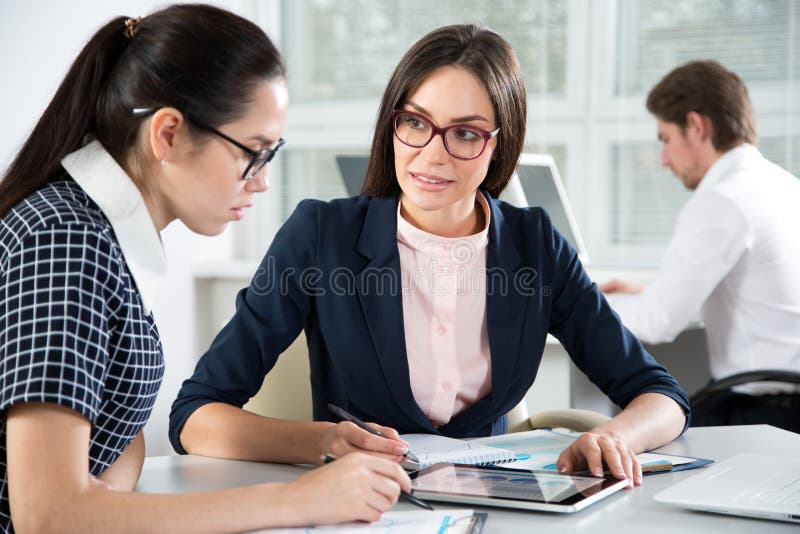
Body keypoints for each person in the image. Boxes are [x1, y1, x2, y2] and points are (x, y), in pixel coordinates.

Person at [171, 24, 690, 488]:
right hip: (359, 509)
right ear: (392, 124)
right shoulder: (320, 235)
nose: (432, 153)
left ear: (497, 146)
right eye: (416, 123)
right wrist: (323, 441)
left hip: (501, 511)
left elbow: (661, 395)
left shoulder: (536, 247)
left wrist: (617, 436)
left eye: (465, 133)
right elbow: (195, 416)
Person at [0, 5, 409, 533]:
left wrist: (101, 496)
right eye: (253, 153)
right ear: (167, 133)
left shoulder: (94, 233)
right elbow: (50, 515)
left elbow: (118, 440)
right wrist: (298, 501)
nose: (261, 181)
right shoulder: (63, 241)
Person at [601, 61, 800, 432]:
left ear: (696, 126)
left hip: (767, 414)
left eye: (665, 139)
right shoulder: (782, 184)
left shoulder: (723, 200)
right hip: (787, 398)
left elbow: (657, 321)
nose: (663, 160)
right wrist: (649, 292)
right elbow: (754, 293)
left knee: (646, 443)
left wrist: (578, 300)